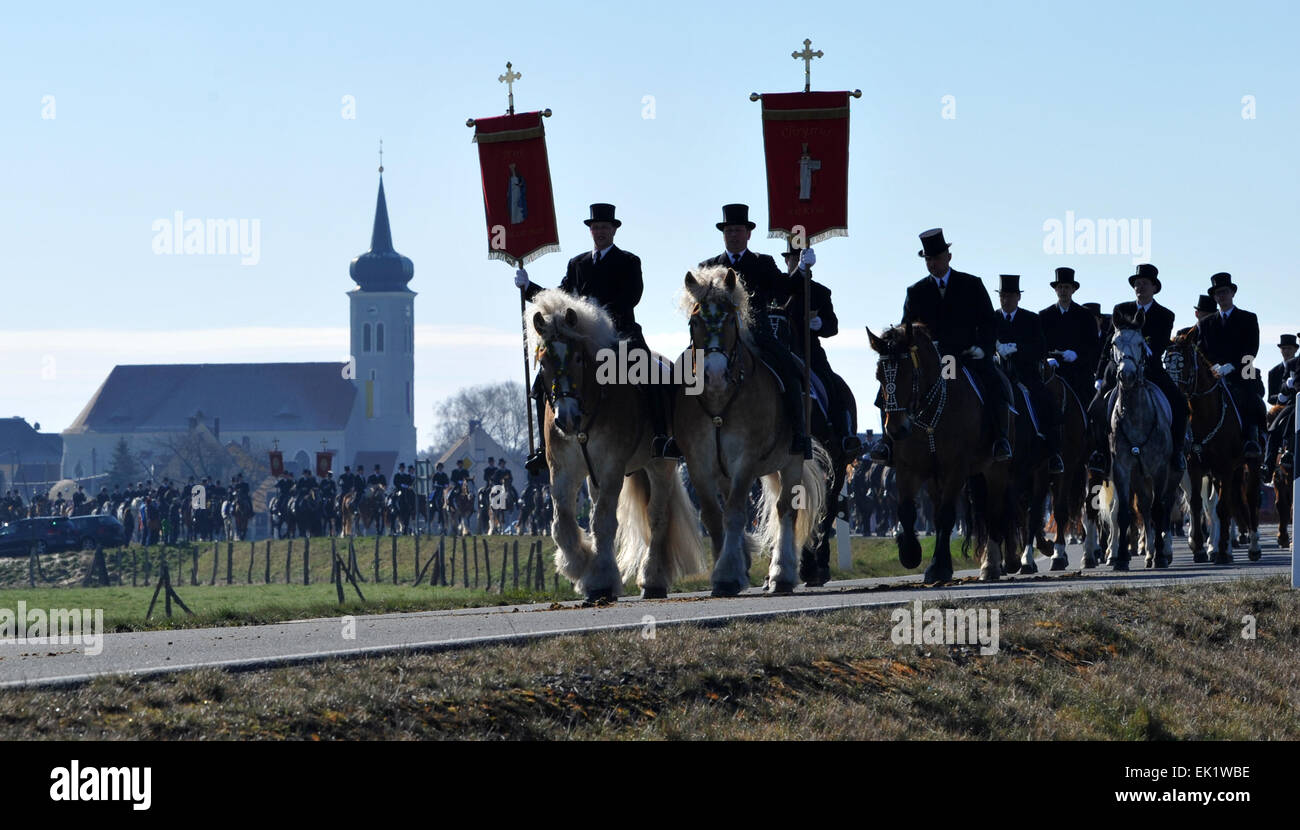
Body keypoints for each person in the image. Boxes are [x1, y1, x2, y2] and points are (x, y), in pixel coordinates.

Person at [515, 203, 679, 472]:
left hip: (620, 336)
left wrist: (593, 314)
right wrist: (528, 287)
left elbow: (631, 297)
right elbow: (560, 298)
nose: (600, 232)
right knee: (540, 383)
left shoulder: (629, 261)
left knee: (652, 374)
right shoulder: (577, 263)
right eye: (595, 227)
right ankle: (545, 448)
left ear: (613, 230)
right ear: (590, 231)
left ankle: (662, 437)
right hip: (583, 340)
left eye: (604, 227)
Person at [871, 228, 1012, 463]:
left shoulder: (971, 284)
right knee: (889, 385)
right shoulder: (915, 292)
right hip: (929, 361)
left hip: (967, 356)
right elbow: (906, 328)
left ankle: (1000, 439)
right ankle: (887, 444)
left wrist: (983, 348)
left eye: (936, 258)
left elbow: (989, 322)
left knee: (996, 384)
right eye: (928, 259)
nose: (932, 263)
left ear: (948, 257)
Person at [699, 203, 811, 458]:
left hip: (758, 334)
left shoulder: (762, 263)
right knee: (684, 371)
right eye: (728, 231)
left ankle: (799, 434)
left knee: (791, 372)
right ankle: (678, 436)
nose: (733, 235)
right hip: (716, 337)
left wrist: (802, 271)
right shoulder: (708, 266)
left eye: (738, 230)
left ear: (748, 234)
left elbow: (785, 289)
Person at [1089, 263, 1188, 473]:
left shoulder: (1165, 314)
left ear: (1154, 287)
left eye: (1144, 284)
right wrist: (1100, 375)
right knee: (1095, 408)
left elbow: (1160, 343)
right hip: (1118, 369)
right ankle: (1100, 454)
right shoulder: (1121, 309)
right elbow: (1109, 343)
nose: (1140, 287)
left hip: (1150, 369)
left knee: (1180, 403)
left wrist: (1144, 348)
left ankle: (1177, 453)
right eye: (1137, 284)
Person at [778, 240, 861, 454]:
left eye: (800, 259)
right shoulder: (778, 289)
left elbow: (832, 326)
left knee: (832, 385)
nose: (796, 262)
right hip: (781, 350)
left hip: (810, 352)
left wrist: (821, 324)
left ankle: (843, 433)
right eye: (793, 259)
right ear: (787, 261)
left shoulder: (821, 292)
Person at [995, 274, 1063, 473]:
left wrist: (1017, 348)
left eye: (1010, 296)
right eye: (1003, 296)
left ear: (1019, 297)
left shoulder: (1031, 319)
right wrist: (996, 348)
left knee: (1047, 401)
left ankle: (1053, 453)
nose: (1006, 300)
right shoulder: (992, 318)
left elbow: (1040, 348)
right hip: (998, 374)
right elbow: (983, 340)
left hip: (1025, 375)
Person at [1195, 272, 1267, 459]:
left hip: (1243, 368)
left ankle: (1251, 439)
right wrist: (1212, 367)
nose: (1222, 296)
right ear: (1214, 297)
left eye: (1225, 292)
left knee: (1251, 395)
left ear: (1232, 293)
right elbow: (1201, 350)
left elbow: (1252, 348)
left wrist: (1232, 366)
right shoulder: (1206, 323)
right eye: (1218, 293)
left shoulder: (1248, 318)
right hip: (1214, 372)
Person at [1037, 267, 1100, 408]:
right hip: (1053, 372)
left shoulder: (1085, 315)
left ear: (1073, 290)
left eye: (1066, 287)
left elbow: (1094, 346)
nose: (1063, 291)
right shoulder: (1044, 316)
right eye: (1060, 287)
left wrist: (1077, 355)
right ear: (1055, 290)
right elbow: (1038, 344)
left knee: (1091, 408)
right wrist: (1048, 358)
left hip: (1079, 375)